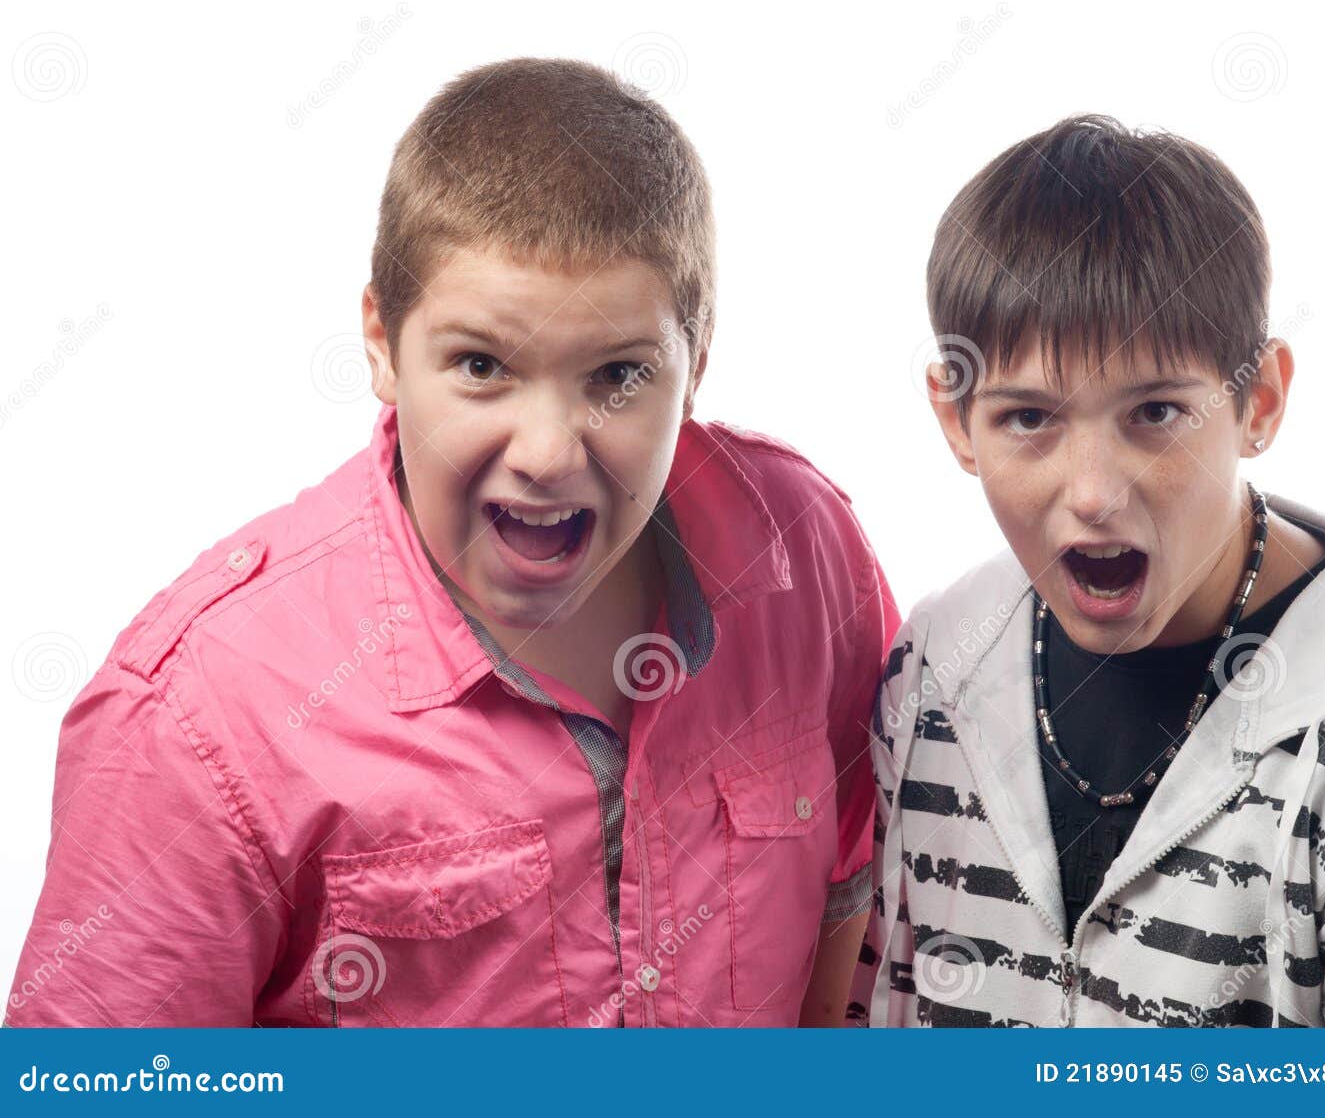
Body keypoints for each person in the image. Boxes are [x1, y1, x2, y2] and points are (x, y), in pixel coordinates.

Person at [7, 58, 896, 1027]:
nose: (549, 452)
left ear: (699, 356)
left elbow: (852, 888)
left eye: (617, 376)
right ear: (382, 343)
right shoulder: (200, 712)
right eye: (481, 365)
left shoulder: (801, 554)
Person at [849, 114, 1325, 1027]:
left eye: (1156, 412)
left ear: (1260, 401)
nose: (1091, 493)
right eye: (1028, 418)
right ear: (955, 420)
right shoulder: (931, 672)